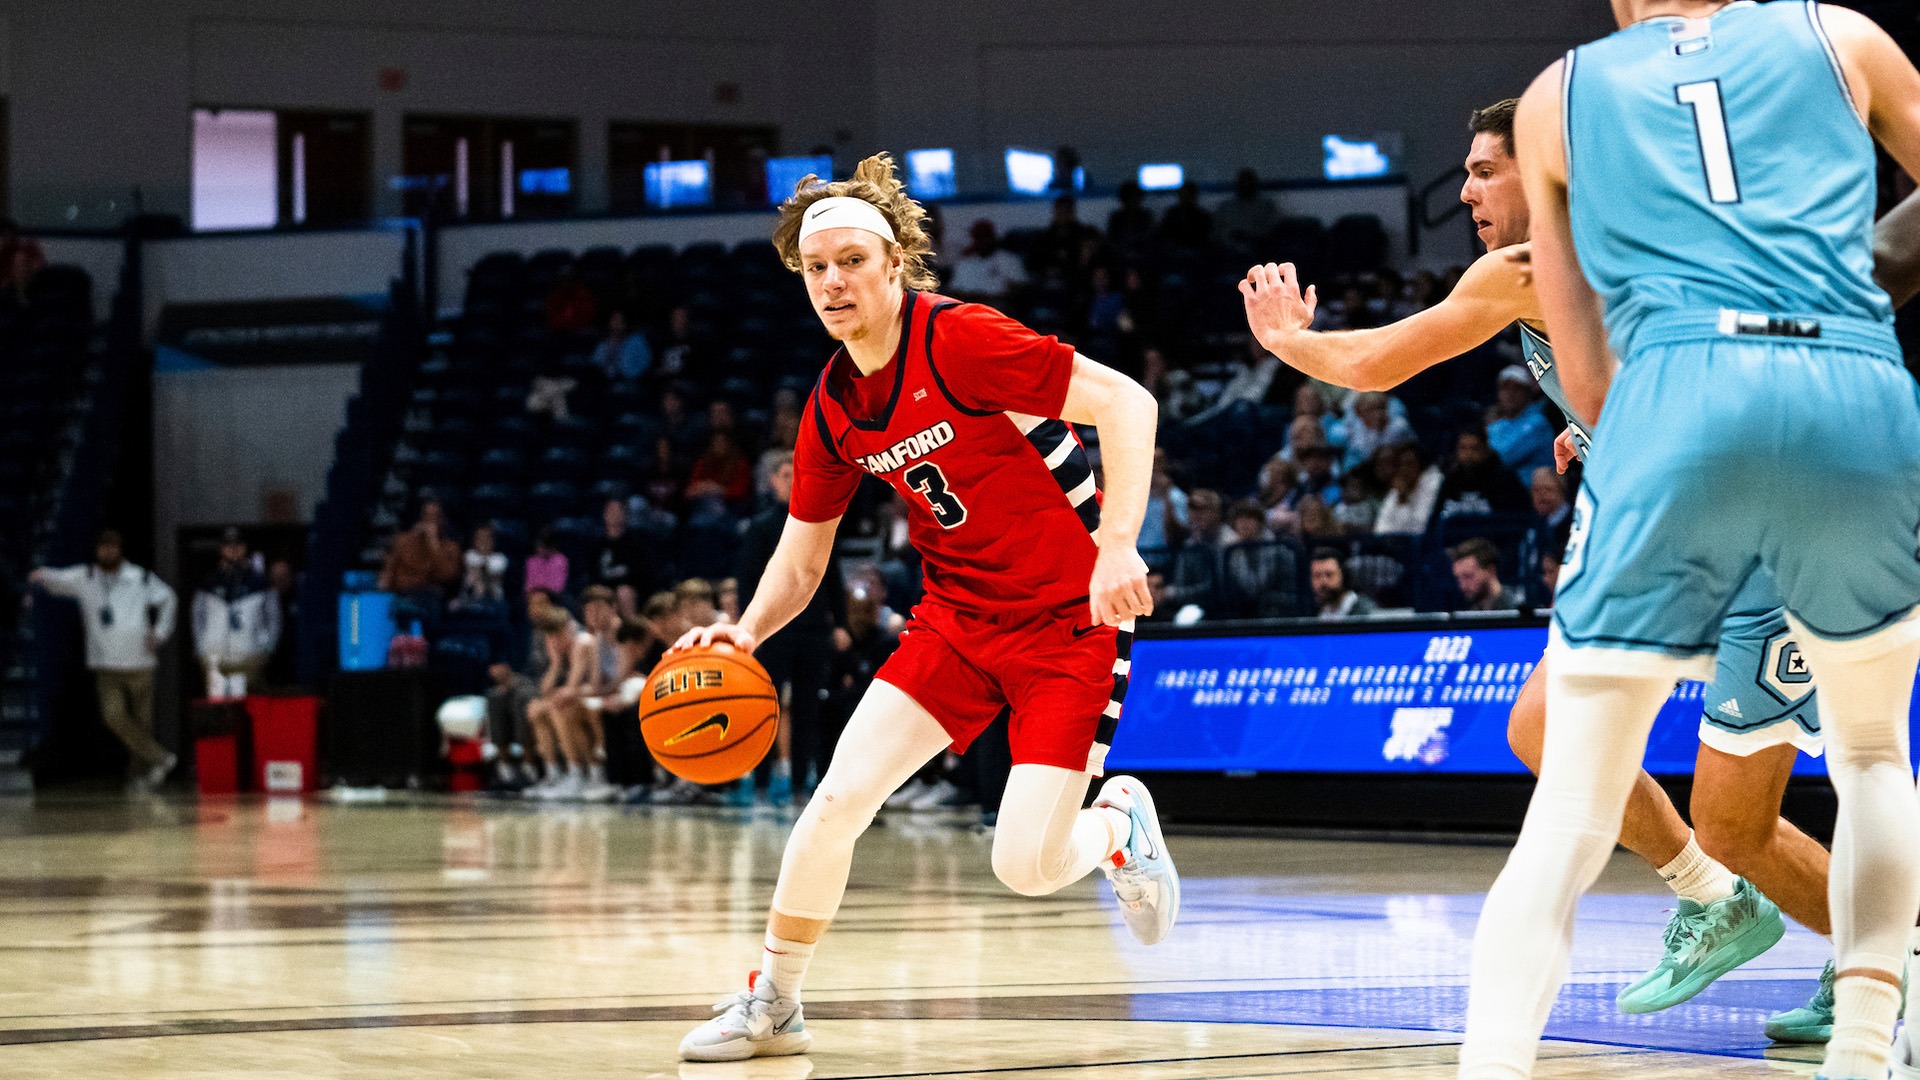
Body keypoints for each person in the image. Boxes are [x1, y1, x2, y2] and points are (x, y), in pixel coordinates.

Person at [1241, 89, 1905, 1041]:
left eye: (1483, 170)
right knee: (1542, 731)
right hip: (1674, 529)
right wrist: (1596, 429)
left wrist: (1291, 342)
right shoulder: (1614, 256)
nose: (1467, 190)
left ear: (1548, 173)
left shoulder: (1530, 266)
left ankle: (1882, 961)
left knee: (1736, 821)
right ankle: (1718, 902)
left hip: (1774, 538)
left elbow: (1379, 362)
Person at [1466, 7, 1920, 1077]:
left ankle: (1491, 1065)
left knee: (1570, 803)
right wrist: (1868, 273)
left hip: (1677, 386)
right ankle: (1864, 1046)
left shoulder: (1557, 95)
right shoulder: (1840, 34)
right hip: (1849, 380)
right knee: (1869, 757)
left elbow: (1585, 381)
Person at [676, 153, 1176, 1063]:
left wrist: (1117, 544)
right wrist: (743, 632)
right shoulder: (833, 406)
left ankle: (1116, 827)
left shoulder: (964, 340)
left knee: (1024, 866)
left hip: (1071, 626)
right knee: (835, 802)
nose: (833, 282)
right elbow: (803, 556)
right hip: (957, 623)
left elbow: (1127, 402)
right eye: (816, 268)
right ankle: (776, 1003)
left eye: (851, 262)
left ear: (894, 264)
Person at [29, 530, 178, 788]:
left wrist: (160, 632)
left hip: (140, 662)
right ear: (97, 550)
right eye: (102, 547)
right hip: (106, 664)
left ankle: (141, 774)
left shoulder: (139, 576)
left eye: (112, 547)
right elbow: (57, 579)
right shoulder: (86, 577)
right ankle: (162, 758)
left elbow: (168, 598)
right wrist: (40, 576)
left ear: (120, 549)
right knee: (113, 716)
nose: (107, 552)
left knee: (142, 724)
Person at [740, 450, 846, 805]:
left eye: (794, 473)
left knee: (807, 712)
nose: (790, 479)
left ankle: (802, 786)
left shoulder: (818, 519)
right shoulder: (760, 527)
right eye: (784, 474)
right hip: (773, 635)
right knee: (764, 710)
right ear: (772, 481)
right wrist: (748, 630)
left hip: (813, 631)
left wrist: (841, 623)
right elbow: (748, 584)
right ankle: (760, 784)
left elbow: (832, 576)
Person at [192, 528, 281, 696]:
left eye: (237, 545)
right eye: (228, 545)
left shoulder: (260, 581)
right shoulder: (209, 581)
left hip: (250, 655)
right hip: (214, 656)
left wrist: (268, 649)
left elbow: (274, 618)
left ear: (245, 548)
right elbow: (197, 617)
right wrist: (200, 649)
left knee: (248, 709)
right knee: (219, 712)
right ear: (221, 549)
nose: (233, 549)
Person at [379, 499, 461, 606]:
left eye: (435, 517)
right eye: (427, 517)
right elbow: (389, 571)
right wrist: (382, 593)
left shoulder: (451, 547)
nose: (430, 522)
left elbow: (448, 576)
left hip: (430, 595)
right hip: (402, 594)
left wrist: (434, 544)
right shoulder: (403, 541)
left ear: (442, 520)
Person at [1486, 364, 1557, 480]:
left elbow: (1505, 456)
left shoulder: (1538, 423)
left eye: (1517, 388)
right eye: (1505, 388)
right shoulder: (1497, 425)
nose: (1510, 394)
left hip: (1535, 490)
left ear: (1527, 393)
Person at [945, 220, 1027, 302]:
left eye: (985, 237)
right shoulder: (965, 263)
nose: (982, 241)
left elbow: (1021, 287)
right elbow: (954, 290)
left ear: (993, 238)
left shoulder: (1009, 260)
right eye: (978, 238)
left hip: (999, 303)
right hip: (970, 304)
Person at [1213, 168, 1280, 252]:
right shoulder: (1226, 207)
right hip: (1229, 251)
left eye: (1248, 181)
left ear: (1255, 184)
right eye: (1243, 182)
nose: (1245, 185)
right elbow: (1217, 231)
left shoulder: (1266, 206)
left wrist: (1249, 236)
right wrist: (1231, 239)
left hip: (1257, 249)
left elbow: (1271, 229)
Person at [1448, 537, 1520, 612]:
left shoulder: (1516, 611)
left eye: (1468, 576)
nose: (1462, 586)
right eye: (1458, 579)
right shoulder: (1472, 614)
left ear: (1491, 571)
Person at [1310, 547, 1377, 620]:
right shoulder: (1314, 613)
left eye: (1329, 575)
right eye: (1317, 576)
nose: (1323, 582)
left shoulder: (1366, 612)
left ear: (1344, 575)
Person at [592, 310, 654, 382]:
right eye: (614, 320)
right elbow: (595, 364)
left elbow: (646, 363)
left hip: (631, 382)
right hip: (605, 382)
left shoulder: (636, 341)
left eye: (620, 320)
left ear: (625, 323)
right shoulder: (603, 344)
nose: (617, 324)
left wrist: (630, 375)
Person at [523, 527, 569, 596]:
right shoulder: (531, 561)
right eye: (537, 547)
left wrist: (543, 590)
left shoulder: (560, 560)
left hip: (553, 596)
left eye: (541, 547)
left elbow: (558, 587)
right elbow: (529, 584)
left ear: (550, 547)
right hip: (534, 595)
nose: (539, 550)